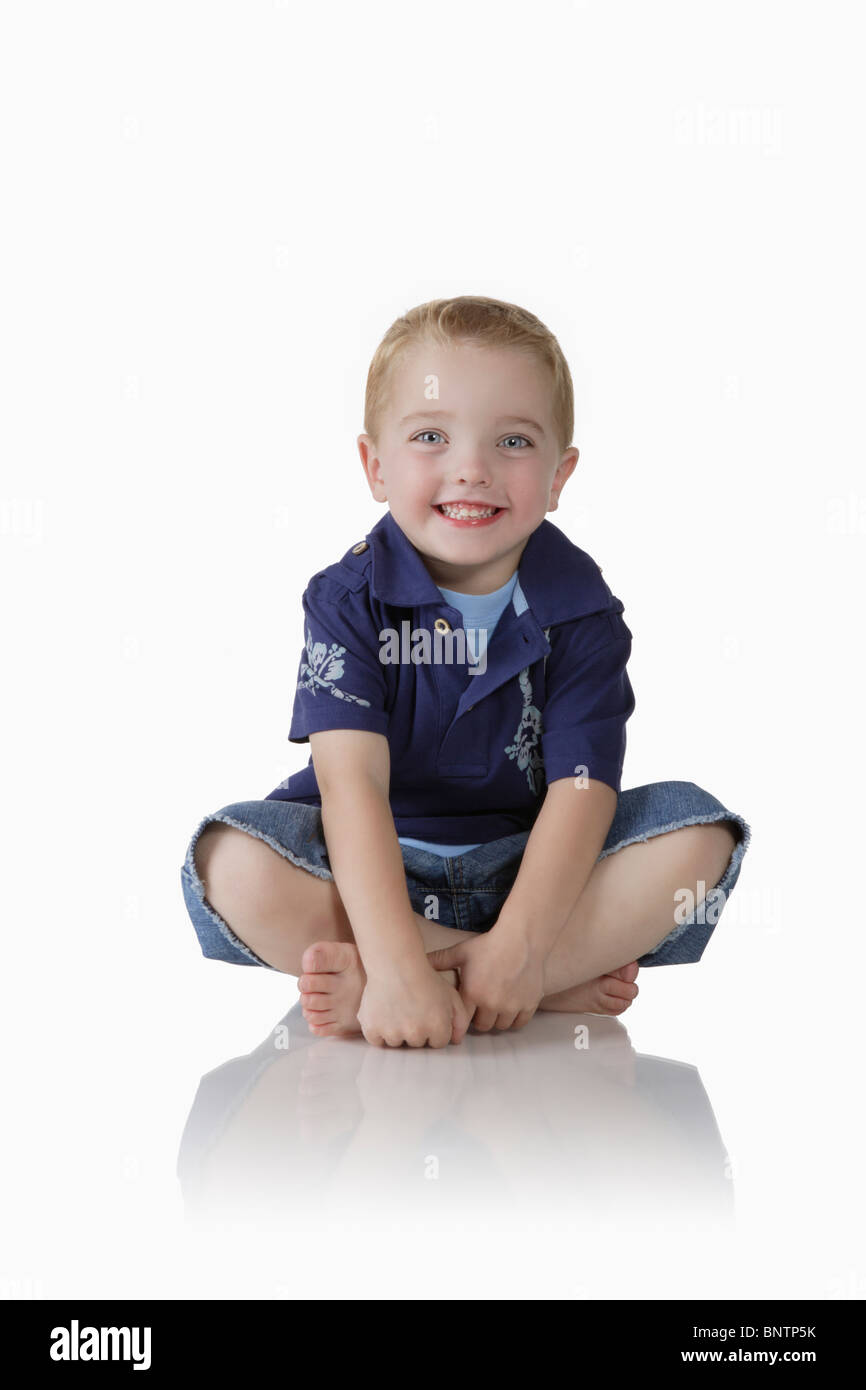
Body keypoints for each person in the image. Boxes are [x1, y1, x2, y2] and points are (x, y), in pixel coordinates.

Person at [180, 295, 751, 1049]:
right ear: (374, 465)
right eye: (430, 436)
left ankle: (500, 968)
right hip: (367, 880)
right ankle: (507, 981)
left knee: (701, 836)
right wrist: (390, 959)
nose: (472, 470)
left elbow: (582, 794)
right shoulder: (346, 598)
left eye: (513, 440)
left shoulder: (581, 609)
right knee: (230, 862)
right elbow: (352, 786)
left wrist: (520, 941)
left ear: (559, 475)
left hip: (537, 878)